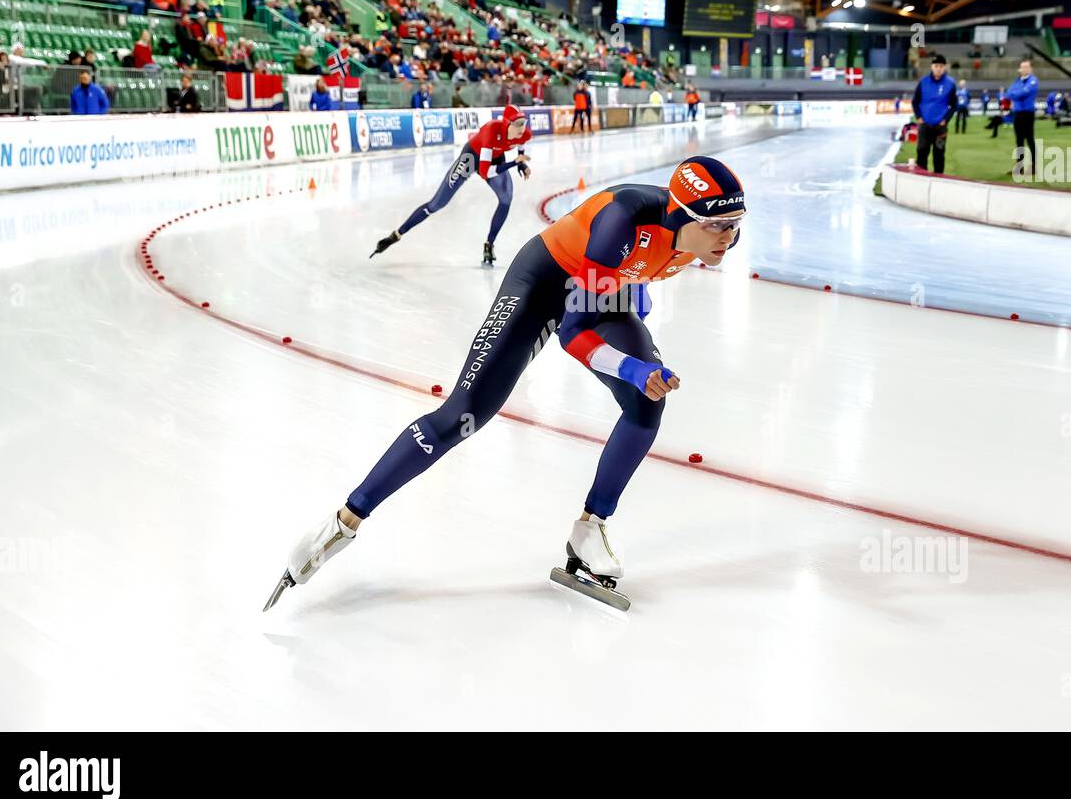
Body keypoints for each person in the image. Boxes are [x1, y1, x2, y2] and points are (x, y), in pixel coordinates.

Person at [264, 157, 748, 612]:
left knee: (646, 407)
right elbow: (573, 333)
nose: (728, 237)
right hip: (542, 285)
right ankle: (344, 521)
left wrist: (636, 325)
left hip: (602, 289)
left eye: (735, 225)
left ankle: (590, 528)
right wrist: (636, 368)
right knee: (462, 417)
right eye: (718, 226)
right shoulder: (624, 219)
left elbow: (633, 277)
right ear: (681, 214)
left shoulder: (693, 237)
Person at [371, 104, 532, 267]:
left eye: (523, 123)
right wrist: (513, 163)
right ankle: (397, 234)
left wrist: (522, 165)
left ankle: (489, 244)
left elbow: (520, 151)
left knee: (506, 199)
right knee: (436, 204)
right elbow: (485, 172)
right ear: (506, 124)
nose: (521, 128)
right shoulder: (492, 130)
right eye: (517, 124)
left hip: (494, 159)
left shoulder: (524, 134)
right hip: (471, 158)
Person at [911, 54, 957, 173]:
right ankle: (921, 180)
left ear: (944, 67)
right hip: (924, 126)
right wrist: (919, 117)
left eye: (941, 66)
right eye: (936, 66)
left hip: (940, 128)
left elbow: (954, 105)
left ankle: (938, 182)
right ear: (932, 67)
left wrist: (945, 121)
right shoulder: (923, 82)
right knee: (921, 154)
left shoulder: (950, 83)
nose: (938, 68)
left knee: (939, 155)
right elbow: (915, 101)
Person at [1006, 58, 1040, 175]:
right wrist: (1016, 94)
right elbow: (1009, 93)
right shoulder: (1017, 81)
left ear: (1030, 68)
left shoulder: (1033, 80)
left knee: (1030, 139)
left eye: (1026, 67)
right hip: (1018, 113)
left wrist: (1016, 94)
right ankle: (1019, 167)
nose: (1024, 69)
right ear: (1019, 69)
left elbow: (1023, 93)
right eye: (1022, 67)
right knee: (1019, 140)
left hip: (1028, 113)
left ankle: (1034, 166)